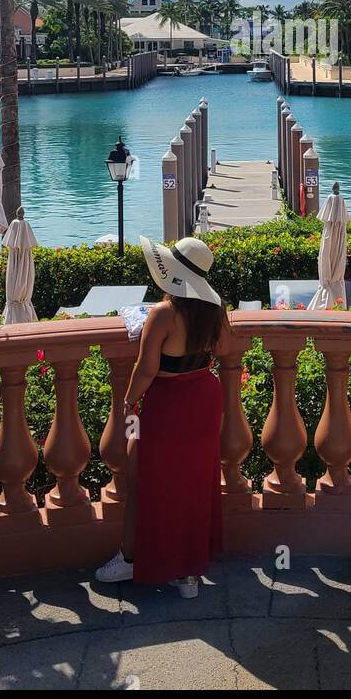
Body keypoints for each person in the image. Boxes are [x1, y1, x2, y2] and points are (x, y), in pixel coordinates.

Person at [96, 235, 230, 599]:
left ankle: (130, 558)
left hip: (168, 405)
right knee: (193, 485)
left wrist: (127, 401)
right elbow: (225, 348)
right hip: (204, 397)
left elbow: (145, 369)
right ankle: (188, 574)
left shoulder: (163, 314)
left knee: (144, 483)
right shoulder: (215, 310)